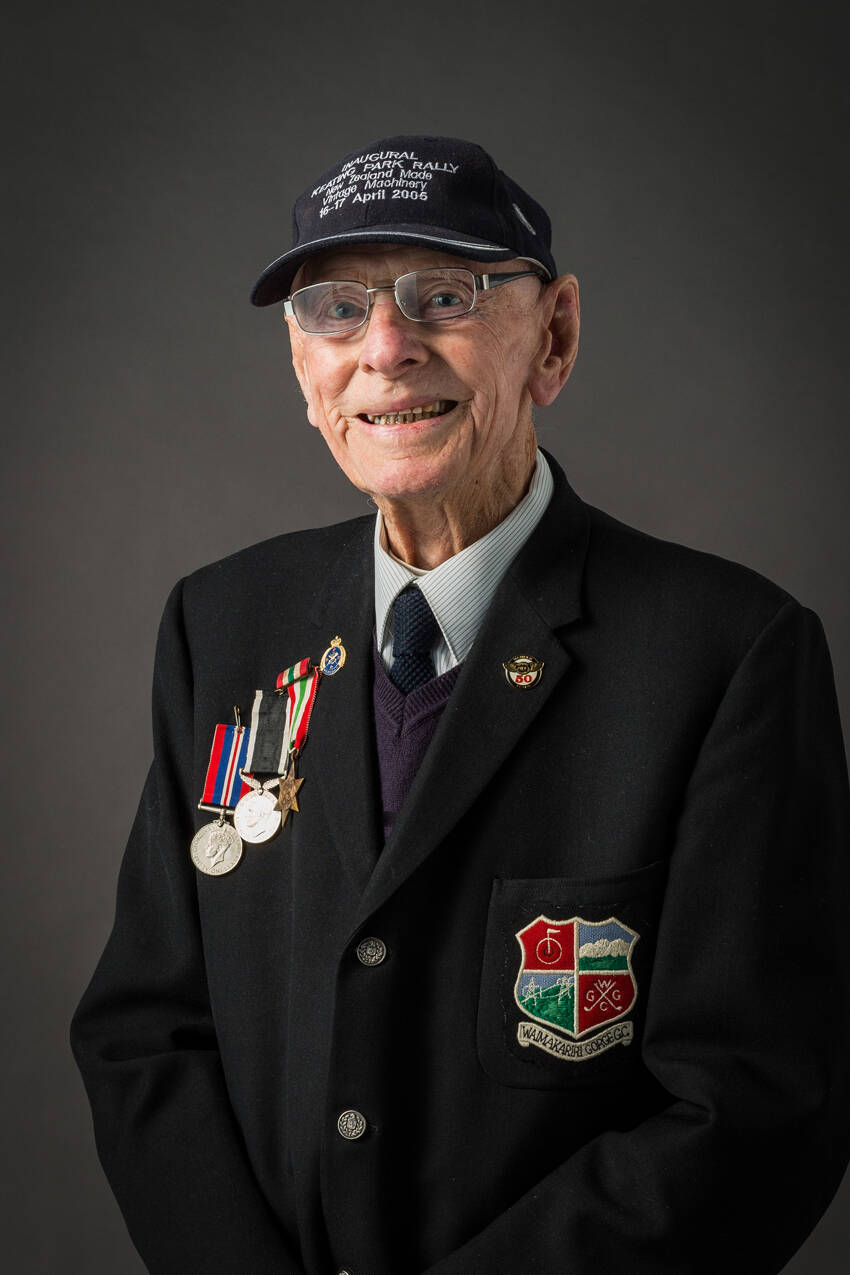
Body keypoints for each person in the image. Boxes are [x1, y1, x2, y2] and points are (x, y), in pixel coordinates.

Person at [71, 134, 850, 1275]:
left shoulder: (729, 655)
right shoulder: (222, 625)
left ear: (555, 336)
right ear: (301, 365)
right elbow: (146, 1031)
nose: (385, 348)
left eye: (446, 294)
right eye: (333, 308)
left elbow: (753, 1102)